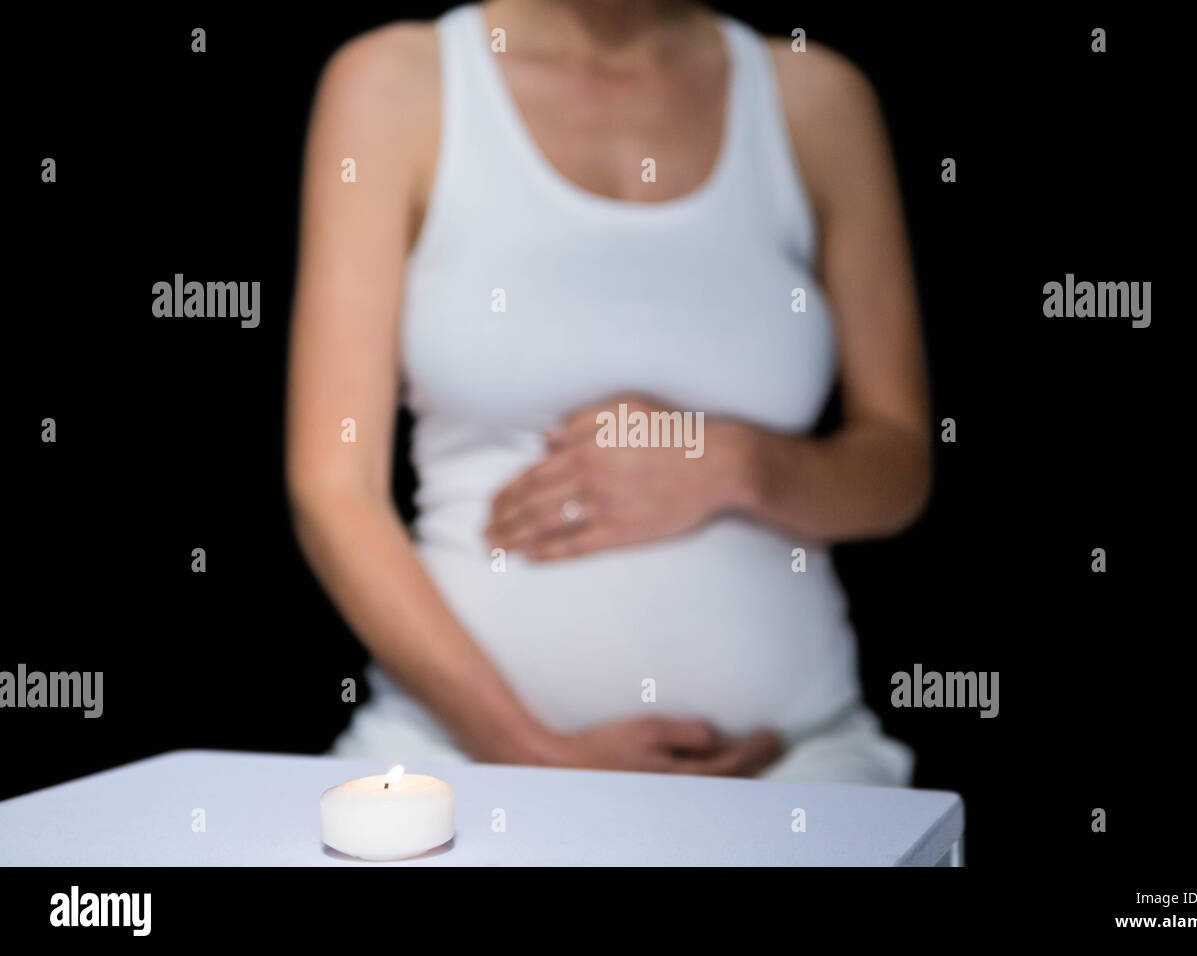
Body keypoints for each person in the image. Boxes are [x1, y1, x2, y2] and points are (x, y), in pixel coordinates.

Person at [286, 0, 930, 785]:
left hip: (796, 765)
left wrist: (736, 462)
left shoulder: (816, 98)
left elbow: (899, 467)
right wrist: (529, 751)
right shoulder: (396, 82)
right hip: (456, 763)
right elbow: (333, 487)